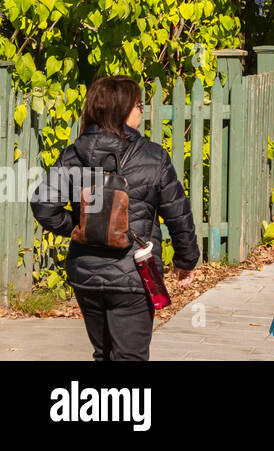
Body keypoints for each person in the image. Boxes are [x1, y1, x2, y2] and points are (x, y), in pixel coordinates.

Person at [31, 76, 199, 361]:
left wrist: (80, 228)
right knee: (129, 357)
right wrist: (186, 260)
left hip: (86, 273)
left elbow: (43, 205)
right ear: (121, 110)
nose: (141, 111)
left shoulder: (74, 155)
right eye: (137, 105)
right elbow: (177, 213)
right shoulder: (153, 156)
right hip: (133, 275)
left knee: (103, 354)